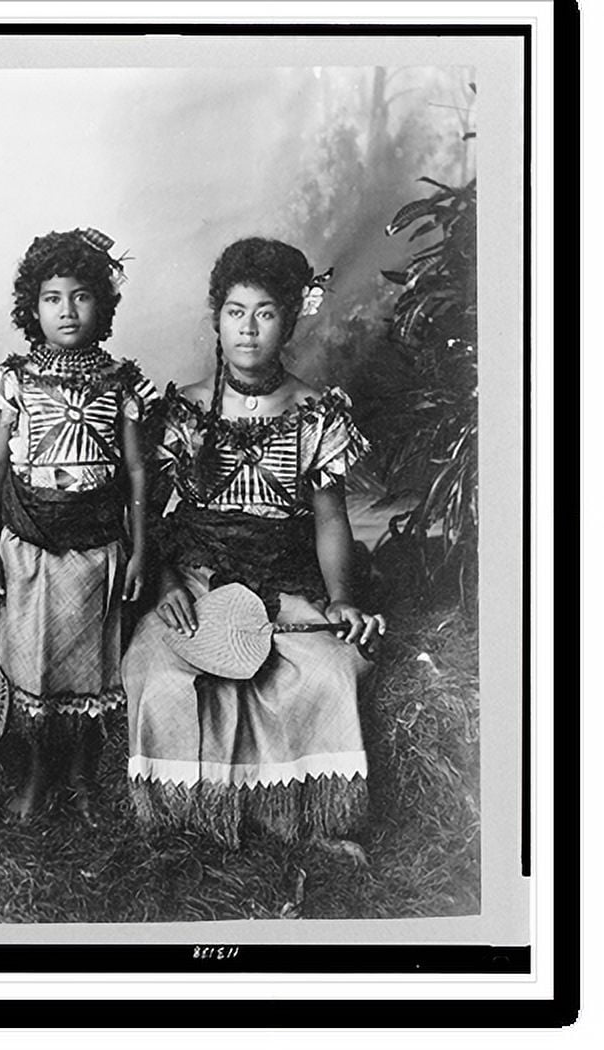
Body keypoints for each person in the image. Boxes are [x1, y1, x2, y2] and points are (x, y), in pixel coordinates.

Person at [122, 236, 385, 855]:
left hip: (287, 583)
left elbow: (329, 520)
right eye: (236, 312)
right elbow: (157, 518)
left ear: (288, 321)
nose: (248, 330)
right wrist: (165, 588)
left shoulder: (315, 412)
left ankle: (310, 816)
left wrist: (341, 598)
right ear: (217, 317)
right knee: (156, 673)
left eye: (265, 313)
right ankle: (188, 818)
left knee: (326, 671)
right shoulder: (184, 411)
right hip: (195, 580)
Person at [0, 227, 158, 824]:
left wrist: (138, 553)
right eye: (53, 298)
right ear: (32, 308)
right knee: (31, 665)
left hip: (96, 551)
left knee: (91, 667)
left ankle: (81, 774)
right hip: (29, 548)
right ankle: (33, 773)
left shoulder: (119, 382)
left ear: (102, 304)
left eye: (81, 296)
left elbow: (136, 468)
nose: (67, 310)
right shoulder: (17, 379)